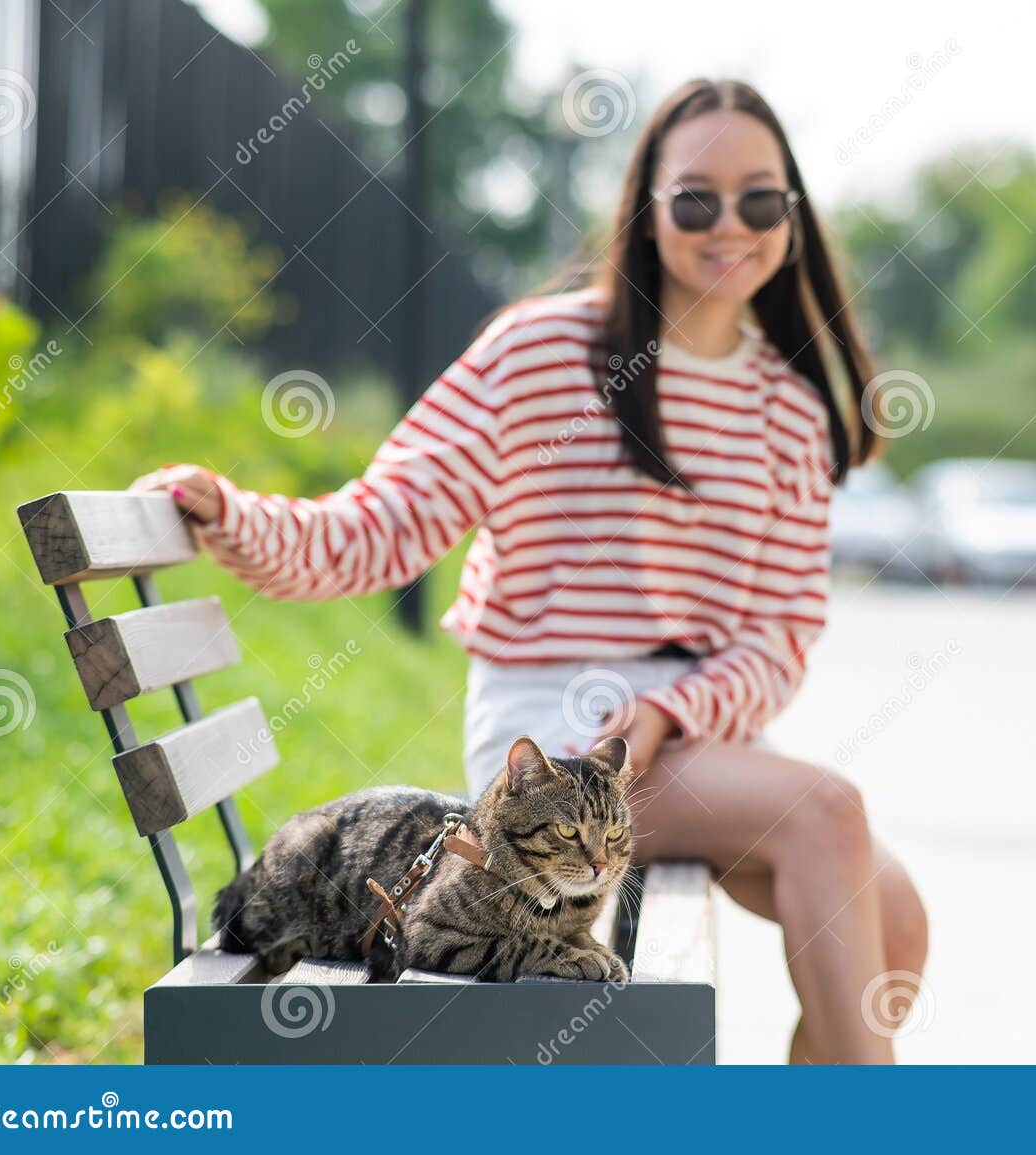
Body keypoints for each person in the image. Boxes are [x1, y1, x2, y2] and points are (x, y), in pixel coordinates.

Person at [133, 78, 927, 1064]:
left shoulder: (789, 408)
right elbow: (384, 525)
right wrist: (237, 513)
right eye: (695, 198)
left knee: (893, 916)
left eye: (760, 199)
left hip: (698, 733)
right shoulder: (542, 352)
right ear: (646, 209)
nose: (730, 224)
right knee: (827, 815)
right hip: (551, 750)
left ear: (791, 215)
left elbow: (780, 635)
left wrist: (668, 714)